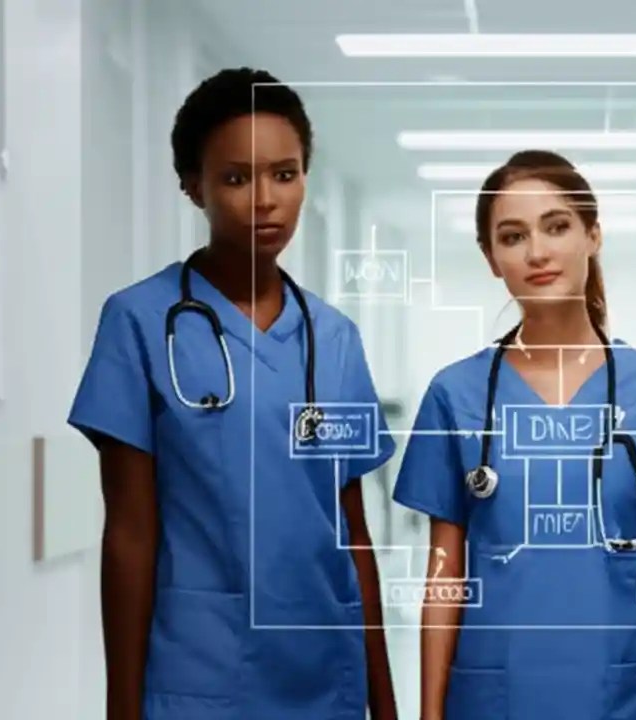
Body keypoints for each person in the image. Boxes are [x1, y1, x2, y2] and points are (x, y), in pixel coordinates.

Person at [68, 68, 398, 720]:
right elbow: (130, 536)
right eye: (236, 178)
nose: (266, 200)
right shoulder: (139, 321)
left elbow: (353, 534)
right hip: (200, 674)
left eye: (285, 173)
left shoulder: (334, 339)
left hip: (324, 674)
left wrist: (384, 705)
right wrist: (121, 709)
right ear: (193, 186)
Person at [392, 149, 636, 720]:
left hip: (627, 692)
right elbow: (443, 573)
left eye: (557, 226)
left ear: (593, 235)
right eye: (513, 236)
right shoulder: (455, 394)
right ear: (491, 258)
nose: (538, 251)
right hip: (496, 694)